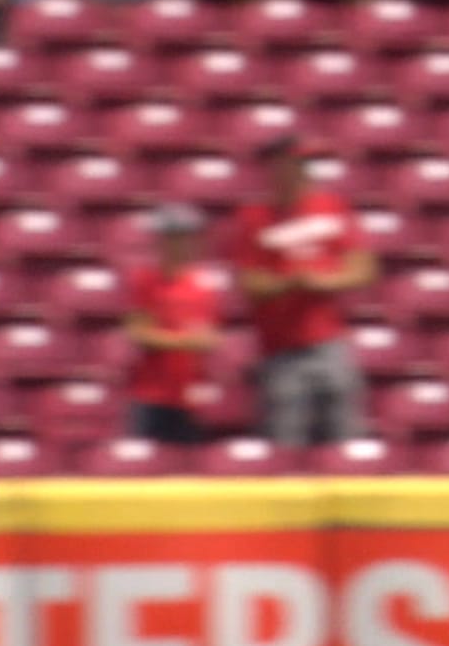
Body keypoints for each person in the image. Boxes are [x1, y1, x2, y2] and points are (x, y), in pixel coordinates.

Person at [232, 133, 376, 446]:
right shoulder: (255, 219)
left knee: (344, 435)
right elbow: (250, 283)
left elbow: (363, 268)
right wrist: (289, 282)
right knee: (285, 439)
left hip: (328, 341)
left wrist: (322, 282)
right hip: (281, 349)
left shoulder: (332, 208)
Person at [123, 203, 222, 445]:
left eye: (184, 238)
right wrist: (184, 341)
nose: (179, 245)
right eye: (172, 238)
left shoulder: (204, 286)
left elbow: (211, 337)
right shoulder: (145, 281)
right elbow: (138, 333)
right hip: (150, 395)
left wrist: (200, 341)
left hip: (188, 396)